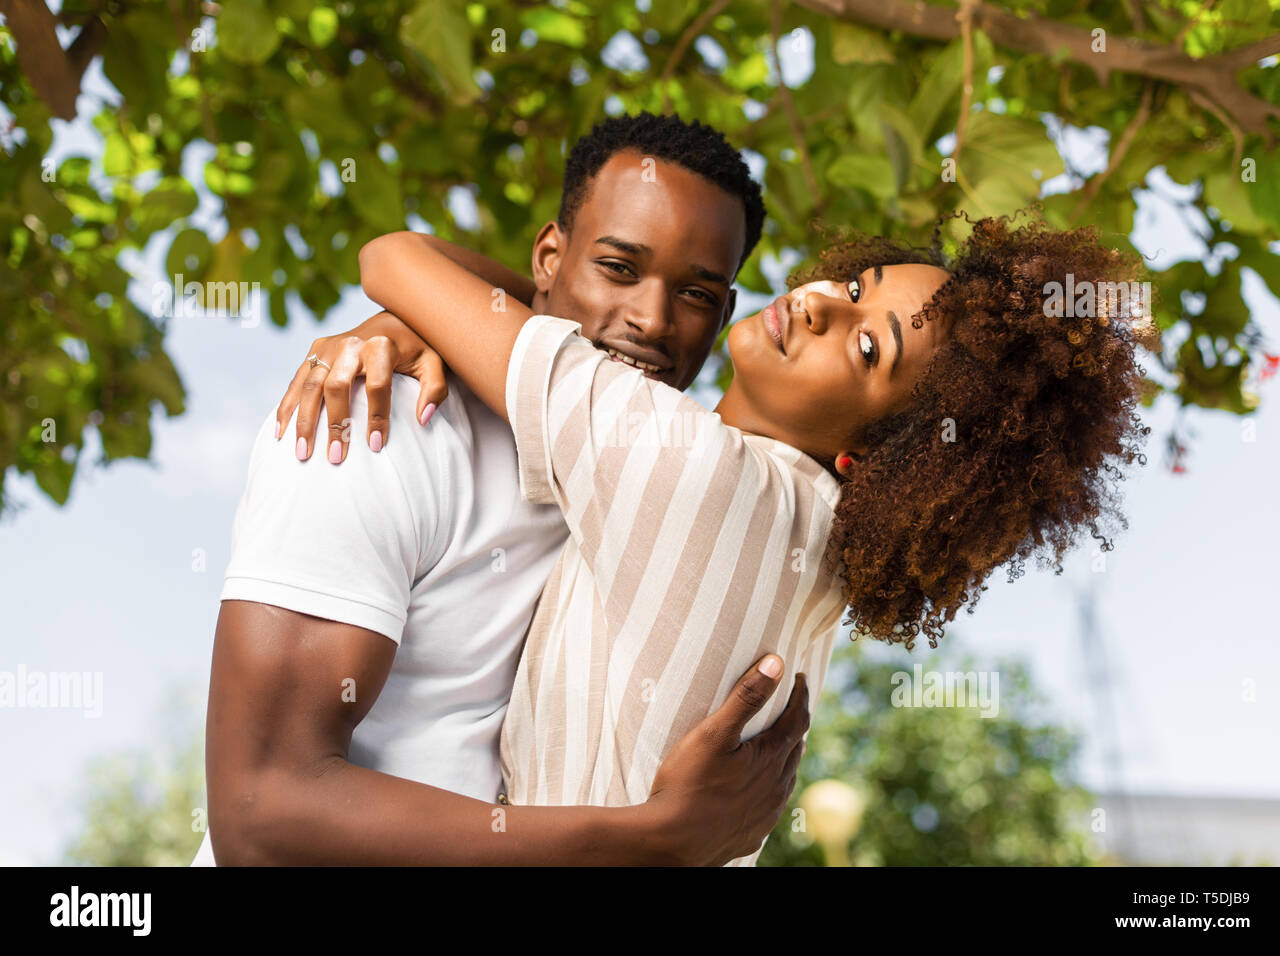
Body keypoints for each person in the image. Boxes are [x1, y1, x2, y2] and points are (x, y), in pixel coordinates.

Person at [302, 207, 1150, 866]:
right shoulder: (815, 560)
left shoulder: (692, 468)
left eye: (863, 346)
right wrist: (424, 325)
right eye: (859, 288)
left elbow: (395, 259)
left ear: (875, 457)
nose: (816, 300)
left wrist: (401, 321)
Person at [196, 114, 809, 866]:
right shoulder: (377, 417)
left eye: (695, 293)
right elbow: (259, 814)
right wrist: (651, 840)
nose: (651, 320)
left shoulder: (681, 483)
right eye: (618, 268)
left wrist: (447, 309)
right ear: (549, 256)